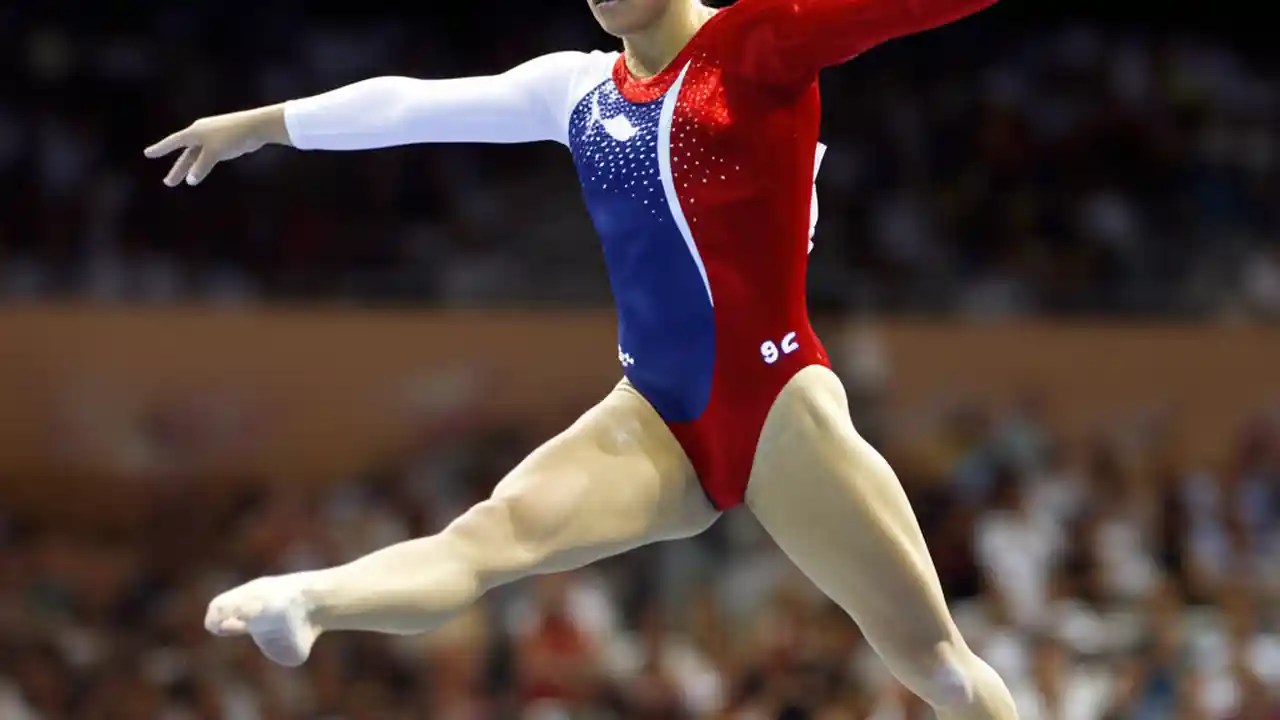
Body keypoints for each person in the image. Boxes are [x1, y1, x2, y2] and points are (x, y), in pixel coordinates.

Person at [145, 0, 1016, 716]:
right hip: (655, 418)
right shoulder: (576, 89)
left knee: (938, 668)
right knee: (487, 539)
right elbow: (412, 106)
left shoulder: (757, 42)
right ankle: (310, 601)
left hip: (781, 410)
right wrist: (263, 125)